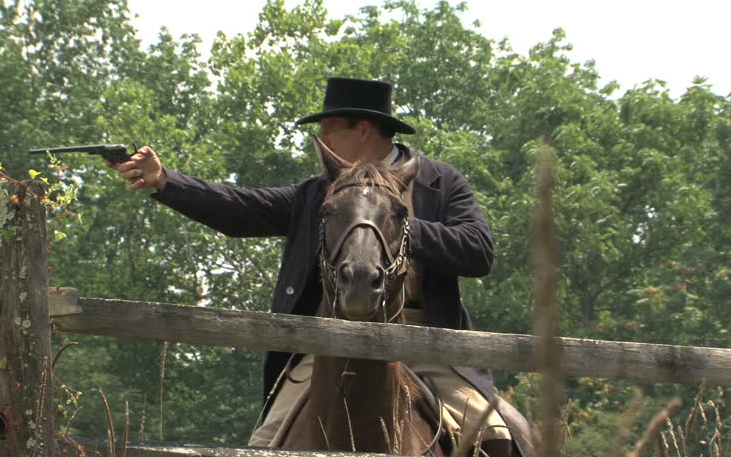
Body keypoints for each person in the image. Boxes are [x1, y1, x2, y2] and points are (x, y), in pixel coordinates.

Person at [112, 77, 532, 456]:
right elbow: (239, 208)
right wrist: (166, 180)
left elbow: (478, 250)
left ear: (363, 129)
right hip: (330, 338)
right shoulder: (316, 192)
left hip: (426, 343)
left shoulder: (442, 182)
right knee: (264, 446)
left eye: (329, 126)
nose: (321, 135)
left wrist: (392, 223)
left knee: (499, 435)